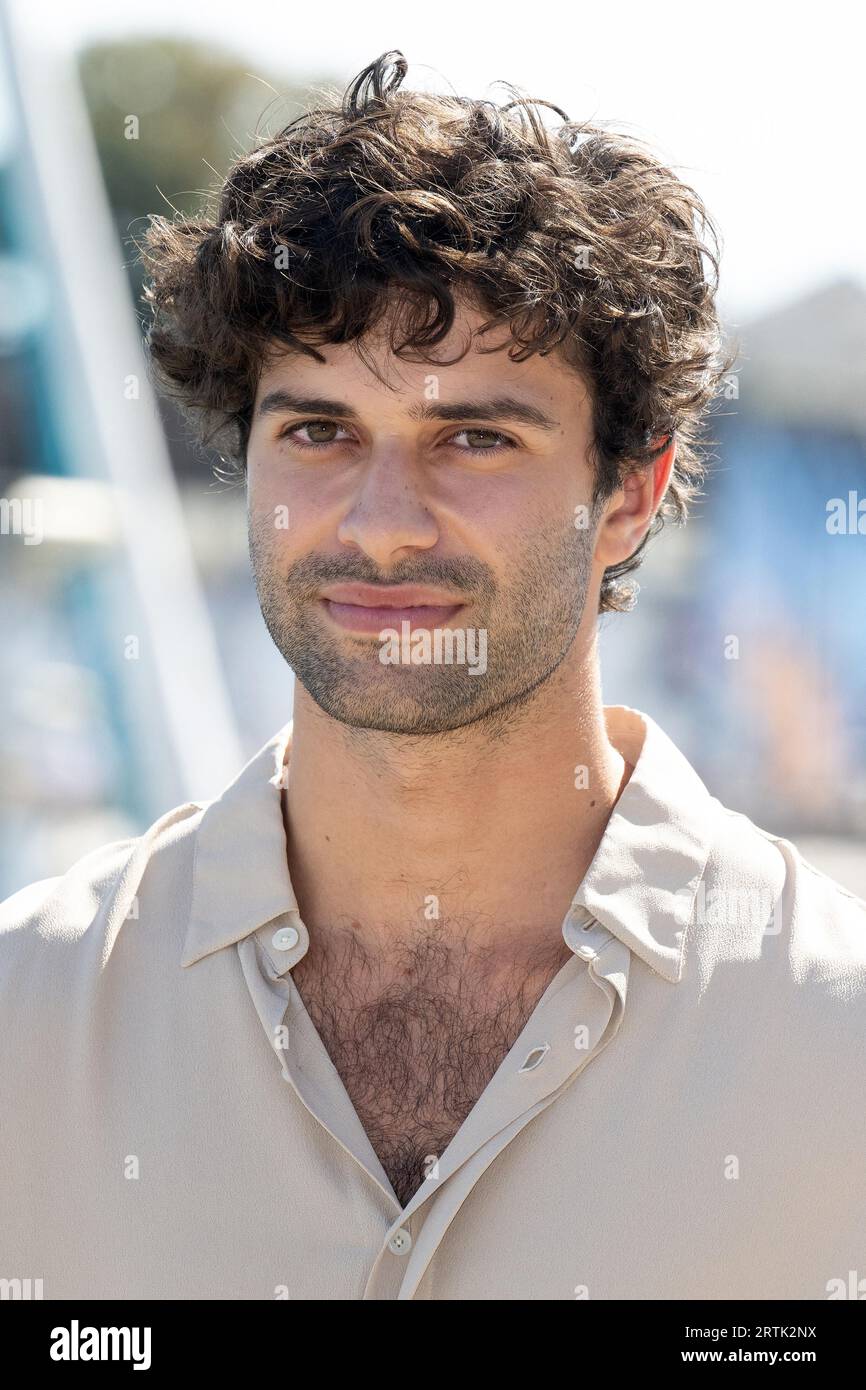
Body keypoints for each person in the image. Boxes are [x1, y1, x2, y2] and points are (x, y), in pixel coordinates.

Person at [2, 51, 864, 1302]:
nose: (384, 521)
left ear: (624, 492)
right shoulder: (31, 1019)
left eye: (474, 437)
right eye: (317, 431)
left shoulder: (830, 1035)